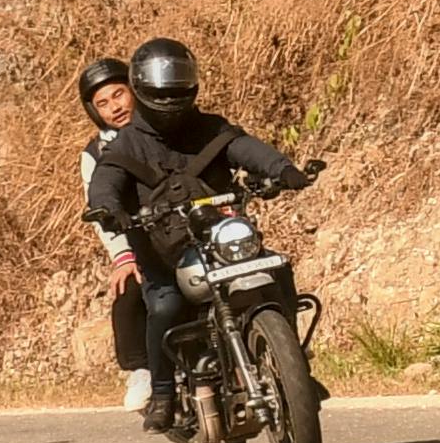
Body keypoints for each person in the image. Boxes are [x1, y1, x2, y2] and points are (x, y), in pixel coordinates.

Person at [86, 37, 317, 418]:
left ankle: (295, 364)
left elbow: (244, 148)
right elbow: (105, 181)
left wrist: (284, 170)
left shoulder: (209, 128)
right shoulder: (126, 145)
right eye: (162, 87)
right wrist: (107, 209)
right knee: (164, 304)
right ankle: (161, 393)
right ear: (143, 88)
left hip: (220, 236)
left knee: (276, 268)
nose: (170, 94)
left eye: (178, 84)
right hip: (162, 250)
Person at [76, 58, 148, 412]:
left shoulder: (170, 126)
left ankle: (286, 354)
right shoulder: (96, 153)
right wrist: (124, 255)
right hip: (143, 237)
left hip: (194, 224)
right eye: (103, 103)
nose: (115, 107)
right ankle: (141, 369)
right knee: (128, 290)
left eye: (119, 94)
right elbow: (100, 210)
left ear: (136, 89)